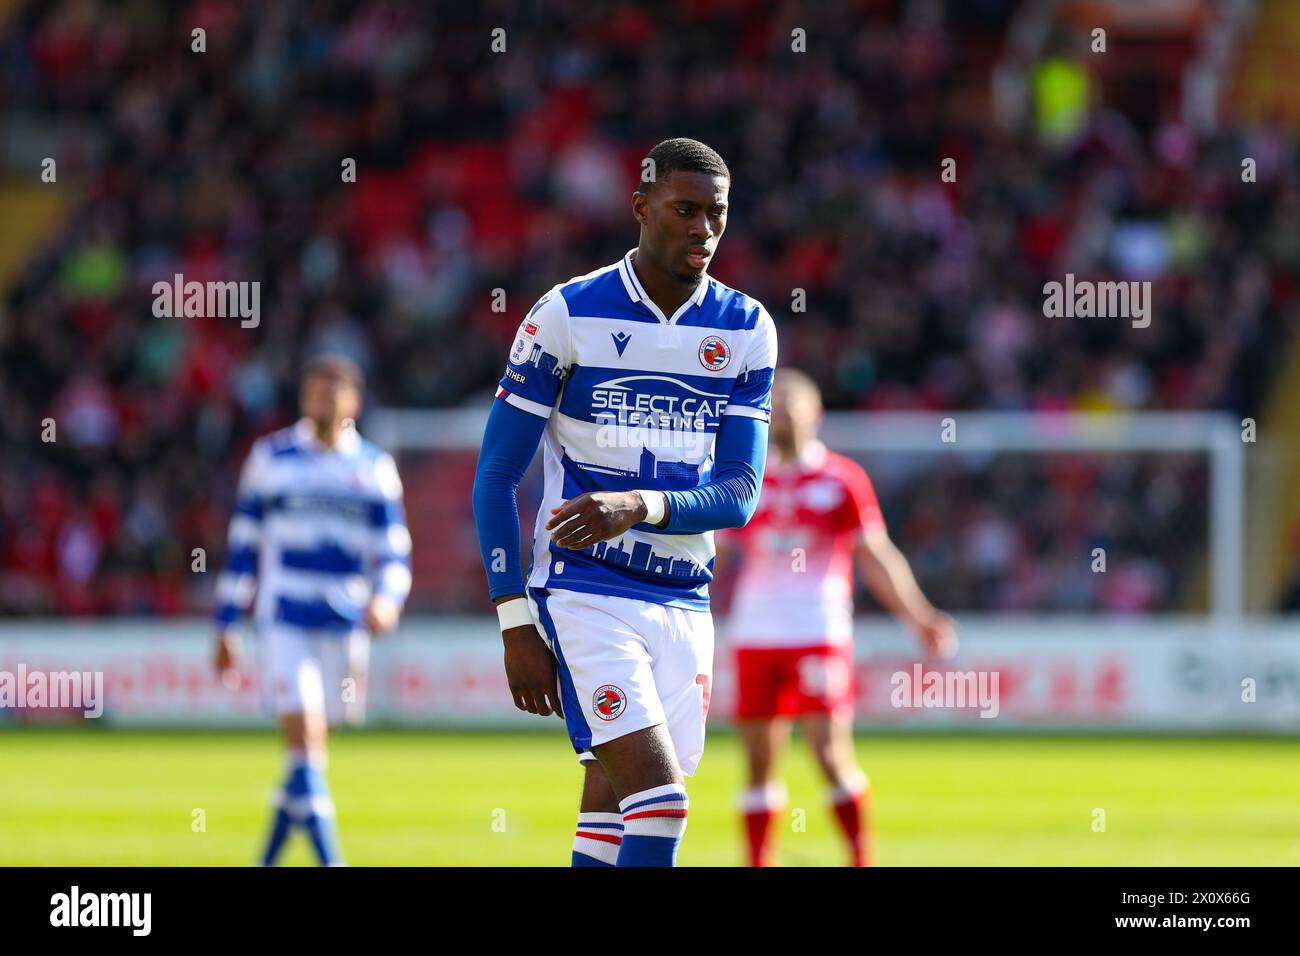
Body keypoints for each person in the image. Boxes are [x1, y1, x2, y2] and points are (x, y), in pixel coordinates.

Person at [472, 138, 776, 866]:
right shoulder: (566, 315)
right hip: (585, 596)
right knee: (661, 805)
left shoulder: (744, 328)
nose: (703, 229)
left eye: (716, 214)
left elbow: (738, 495)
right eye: (685, 210)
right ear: (641, 207)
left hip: (684, 601)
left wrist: (638, 505)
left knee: (610, 809)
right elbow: (495, 476)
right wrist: (515, 619)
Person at [722, 368, 956, 866]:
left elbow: (875, 555)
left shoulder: (841, 479)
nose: (781, 411)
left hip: (817, 634)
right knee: (760, 760)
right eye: (774, 403)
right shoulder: (744, 478)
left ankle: (859, 858)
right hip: (754, 634)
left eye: (792, 403)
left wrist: (919, 617)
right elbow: (714, 554)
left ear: (816, 414)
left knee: (829, 755)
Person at [212, 354, 411, 866]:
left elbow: (394, 552)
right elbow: (243, 545)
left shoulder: (373, 468)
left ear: (354, 402)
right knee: (304, 741)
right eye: (314, 390)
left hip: (346, 627)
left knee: (310, 755)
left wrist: (387, 600)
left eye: (333, 391)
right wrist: (227, 621)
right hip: (285, 620)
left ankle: (267, 859)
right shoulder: (271, 457)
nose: (322, 399)